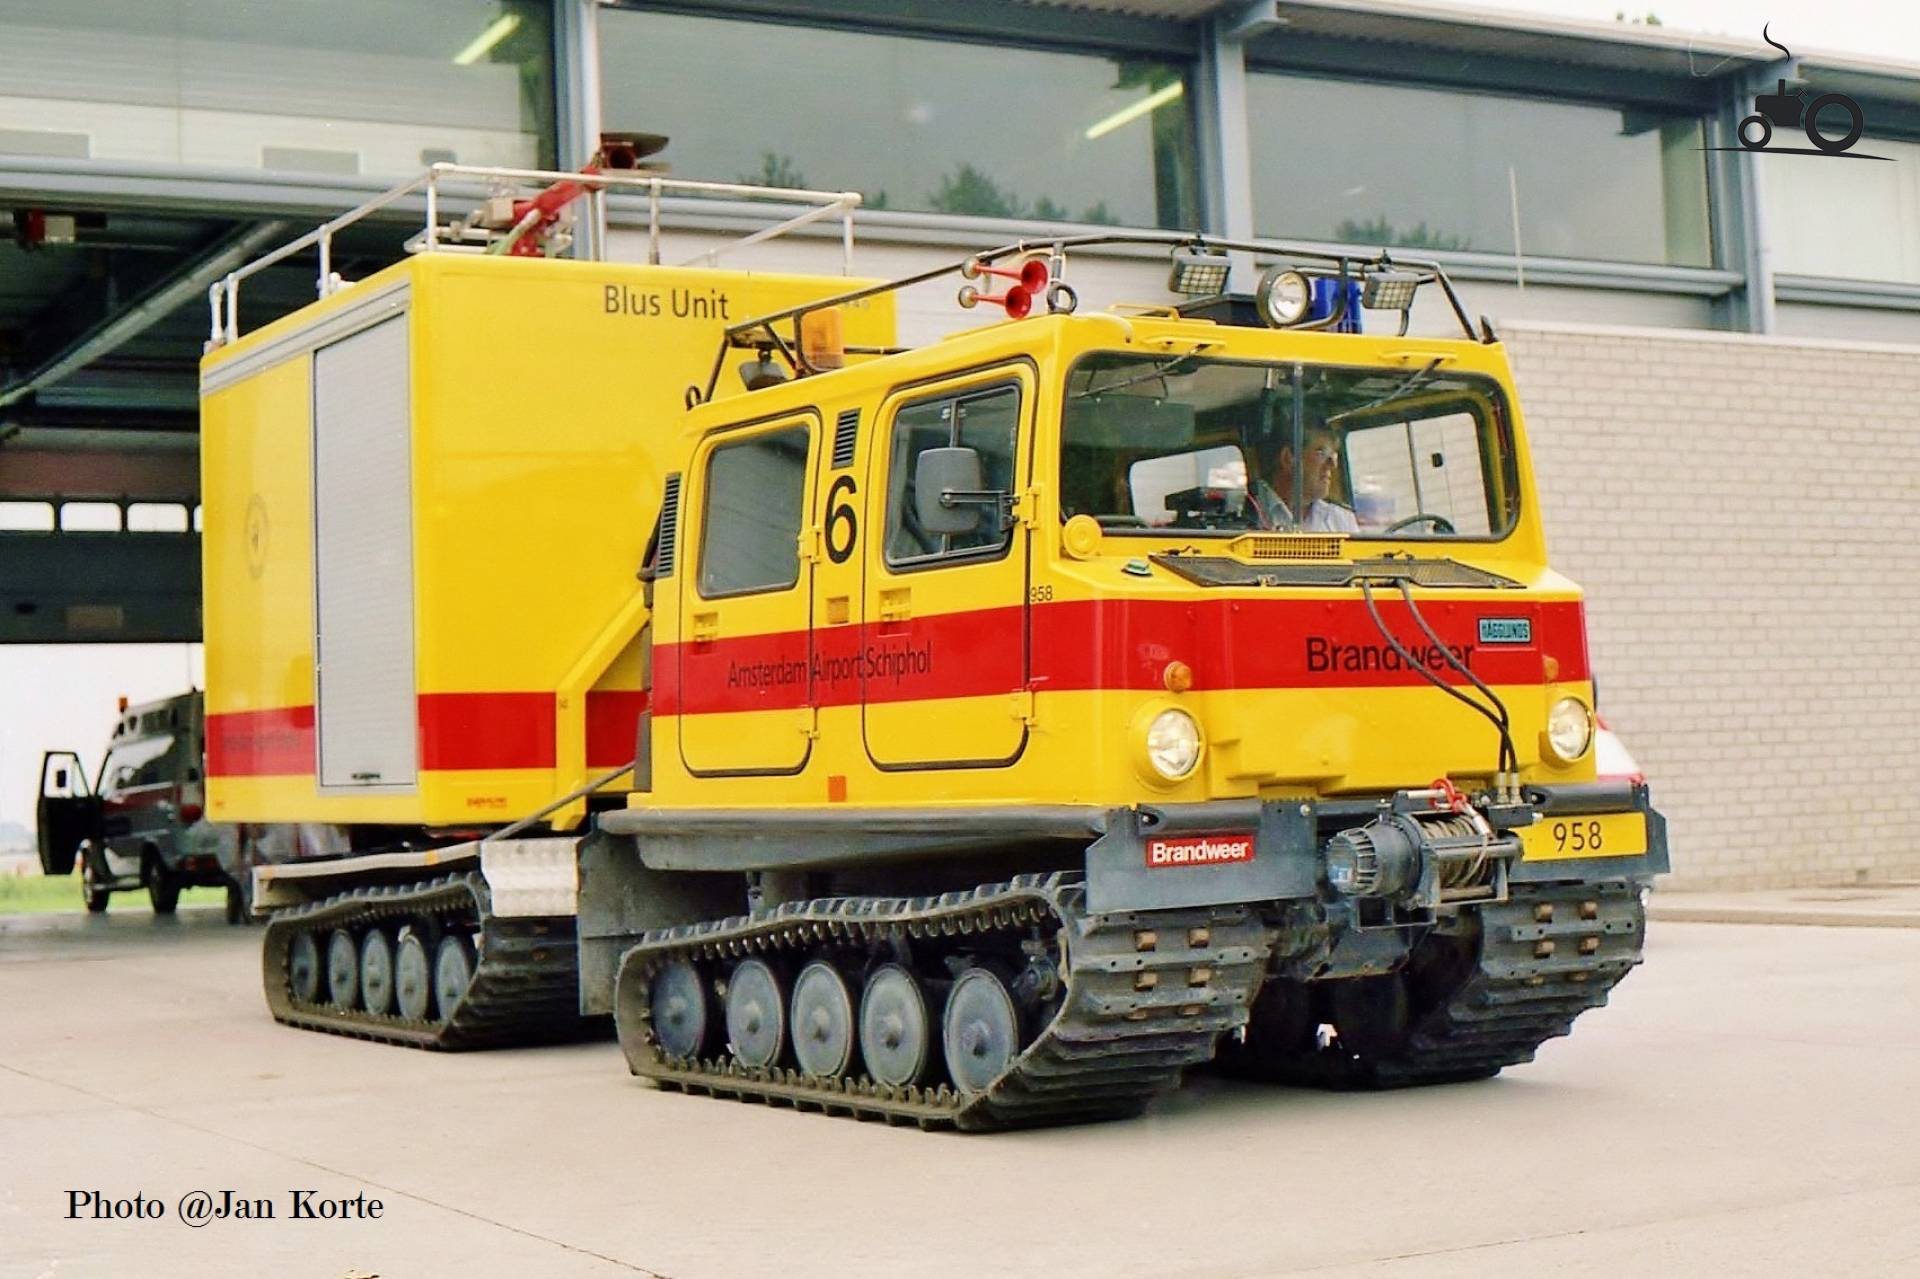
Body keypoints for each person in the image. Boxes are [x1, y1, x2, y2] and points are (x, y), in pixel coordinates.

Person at [1250, 425, 1359, 532]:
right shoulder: (1248, 511)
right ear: (1288, 458)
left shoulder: (1341, 520)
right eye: (1321, 452)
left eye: (1333, 456)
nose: (1332, 465)